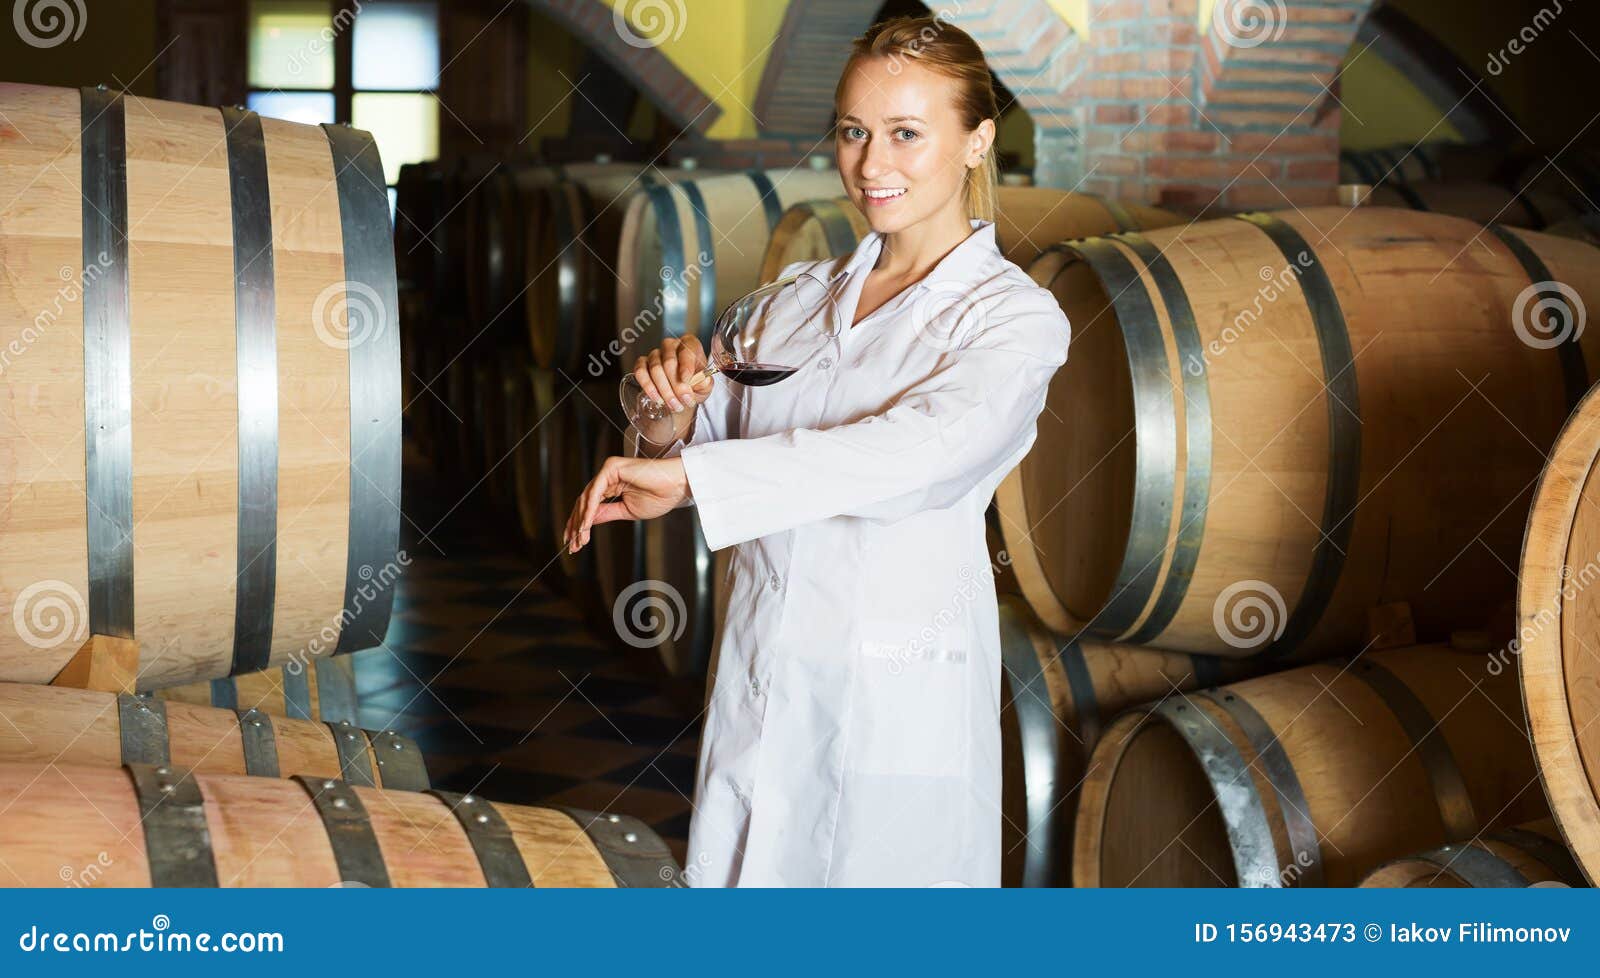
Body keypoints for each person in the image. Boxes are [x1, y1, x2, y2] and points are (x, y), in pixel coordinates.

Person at [563, 15, 1071, 887]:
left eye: (907, 134)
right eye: (853, 132)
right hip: (760, 672)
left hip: (893, 696)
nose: (872, 165)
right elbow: (707, 442)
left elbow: (907, 457)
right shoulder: (795, 295)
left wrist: (692, 473)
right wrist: (664, 409)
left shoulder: (1014, 320)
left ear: (977, 141)